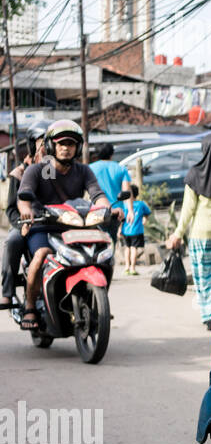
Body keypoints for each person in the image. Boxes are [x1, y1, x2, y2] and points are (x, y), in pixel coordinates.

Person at [15, 120, 110, 330]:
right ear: (50, 146)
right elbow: (24, 197)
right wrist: (26, 210)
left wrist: (108, 209)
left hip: (74, 227)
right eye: (60, 143)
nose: (66, 147)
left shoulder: (84, 171)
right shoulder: (38, 170)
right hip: (43, 226)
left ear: (78, 147)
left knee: (103, 252)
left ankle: (96, 301)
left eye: (71, 143)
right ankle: (30, 306)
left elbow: (98, 195)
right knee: (41, 255)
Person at [166, 131, 211, 330]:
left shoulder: (194, 174)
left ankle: (210, 315)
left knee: (203, 276)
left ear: (203, 150)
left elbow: (188, 209)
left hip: (201, 233)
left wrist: (178, 233)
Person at [0, 127, 46, 310]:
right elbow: (11, 208)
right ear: (33, 146)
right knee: (13, 241)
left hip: (55, 222)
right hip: (25, 224)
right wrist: (22, 224)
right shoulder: (19, 173)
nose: (47, 147)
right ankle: (7, 292)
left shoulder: (57, 170)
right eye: (42, 143)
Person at [112, 184, 151, 275]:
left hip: (126, 230)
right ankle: (133, 268)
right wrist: (145, 219)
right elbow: (147, 213)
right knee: (134, 248)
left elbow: (121, 219)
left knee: (127, 248)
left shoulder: (125, 205)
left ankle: (126, 267)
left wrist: (119, 229)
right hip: (137, 231)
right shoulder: (141, 204)